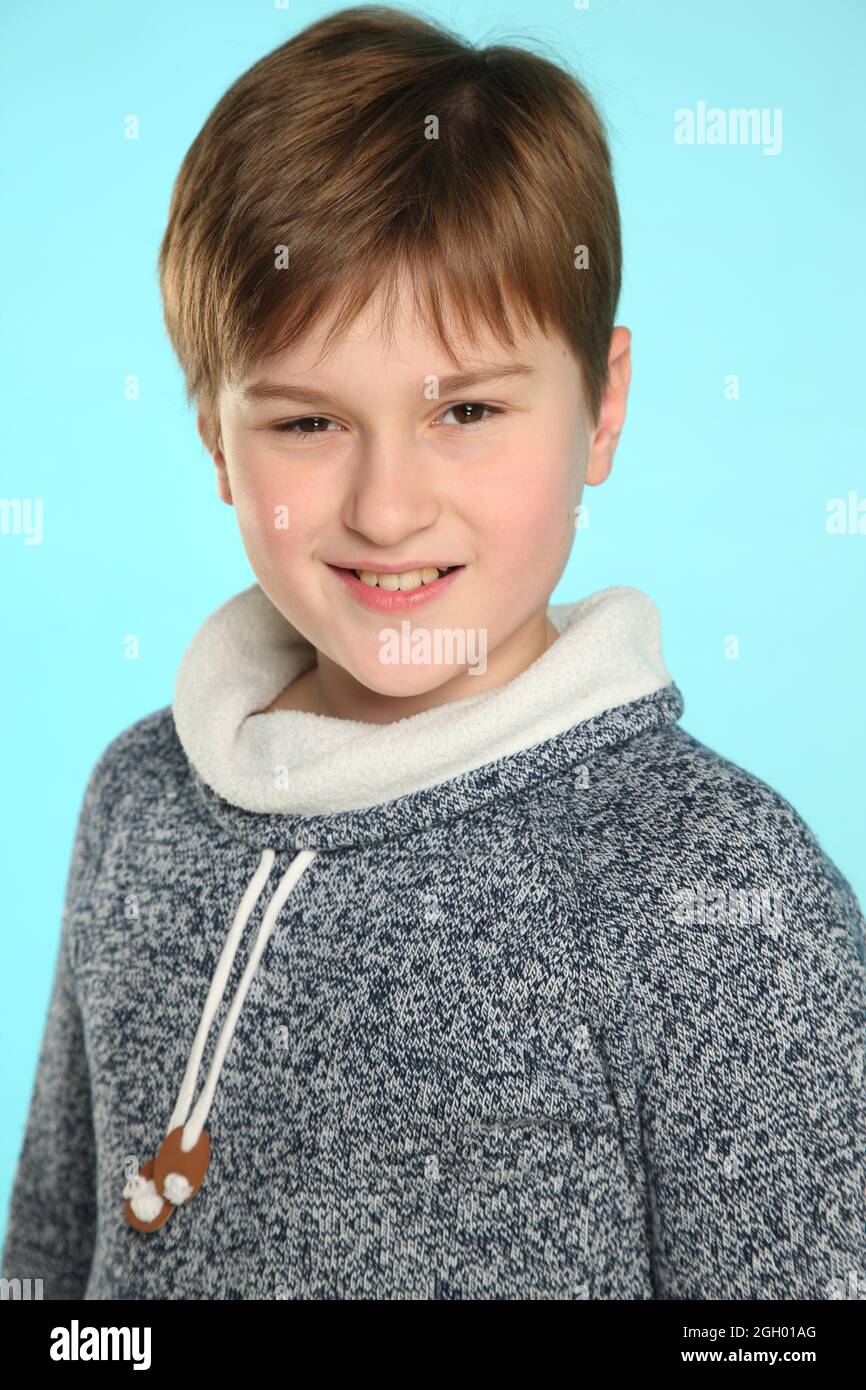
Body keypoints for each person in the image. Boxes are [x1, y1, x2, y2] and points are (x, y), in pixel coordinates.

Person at [3, 4, 865, 1300]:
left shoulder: (707, 885)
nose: (387, 507)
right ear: (212, 441)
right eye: (306, 420)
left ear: (601, 409)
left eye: (465, 408)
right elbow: (54, 1253)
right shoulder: (140, 797)